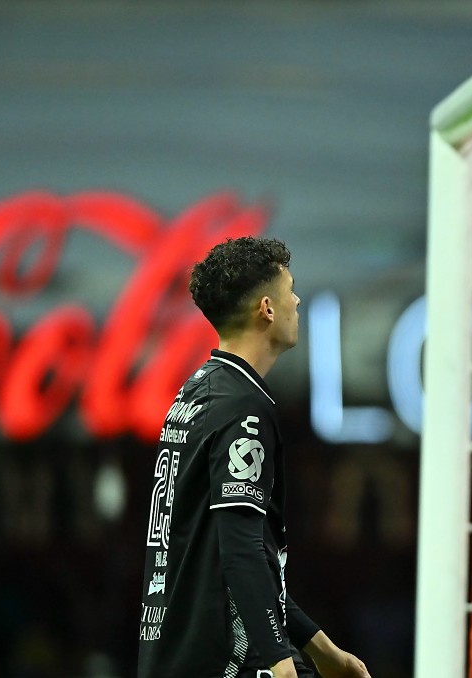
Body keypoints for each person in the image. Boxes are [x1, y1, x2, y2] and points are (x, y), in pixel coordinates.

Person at [137, 237, 370, 678]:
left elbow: (246, 553)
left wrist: (318, 646)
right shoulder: (243, 409)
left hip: (176, 651)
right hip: (231, 659)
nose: (297, 301)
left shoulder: (197, 392)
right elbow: (240, 548)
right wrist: (280, 659)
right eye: (290, 290)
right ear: (266, 308)